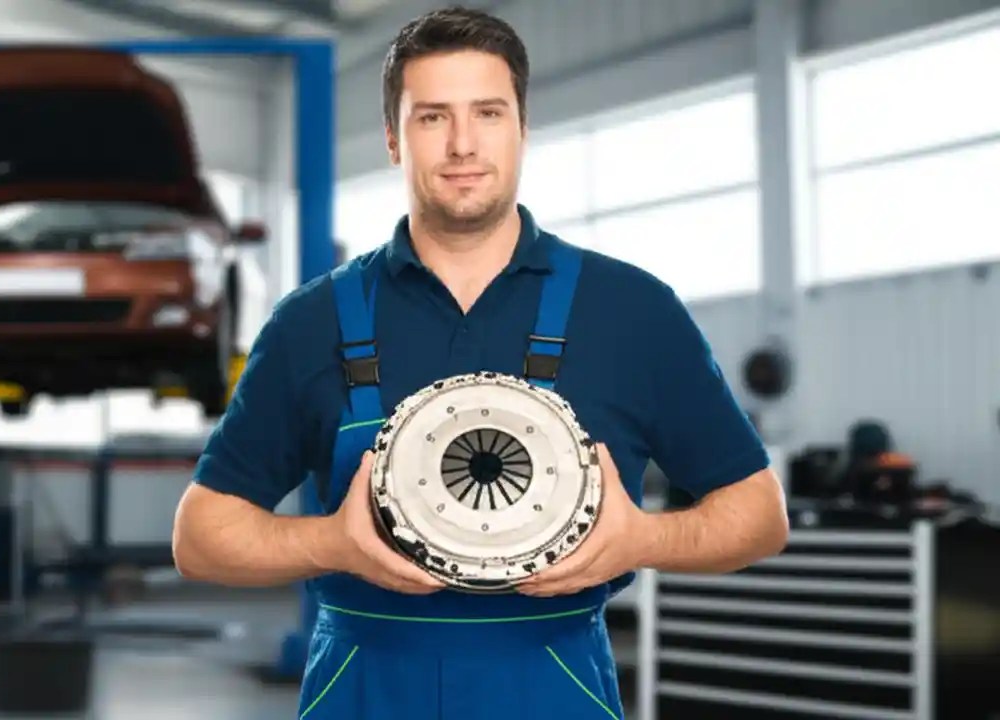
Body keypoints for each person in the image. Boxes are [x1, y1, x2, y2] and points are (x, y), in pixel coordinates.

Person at [172, 7, 789, 719]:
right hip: (364, 688)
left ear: (523, 127)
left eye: (487, 113)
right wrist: (332, 542)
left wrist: (643, 538)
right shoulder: (310, 324)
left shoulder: (632, 311)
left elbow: (758, 514)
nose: (463, 144)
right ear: (393, 140)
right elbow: (200, 537)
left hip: (553, 684)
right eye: (432, 117)